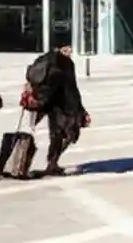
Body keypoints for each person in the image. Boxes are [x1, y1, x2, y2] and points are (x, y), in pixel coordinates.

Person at [28, 45, 90, 176]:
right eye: (67, 49)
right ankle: (52, 163)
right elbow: (70, 87)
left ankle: (52, 162)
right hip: (63, 105)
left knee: (57, 135)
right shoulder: (62, 64)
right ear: (60, 48)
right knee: (69, 134)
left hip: (54, 105)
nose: (70, 52)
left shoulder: (49, 60)